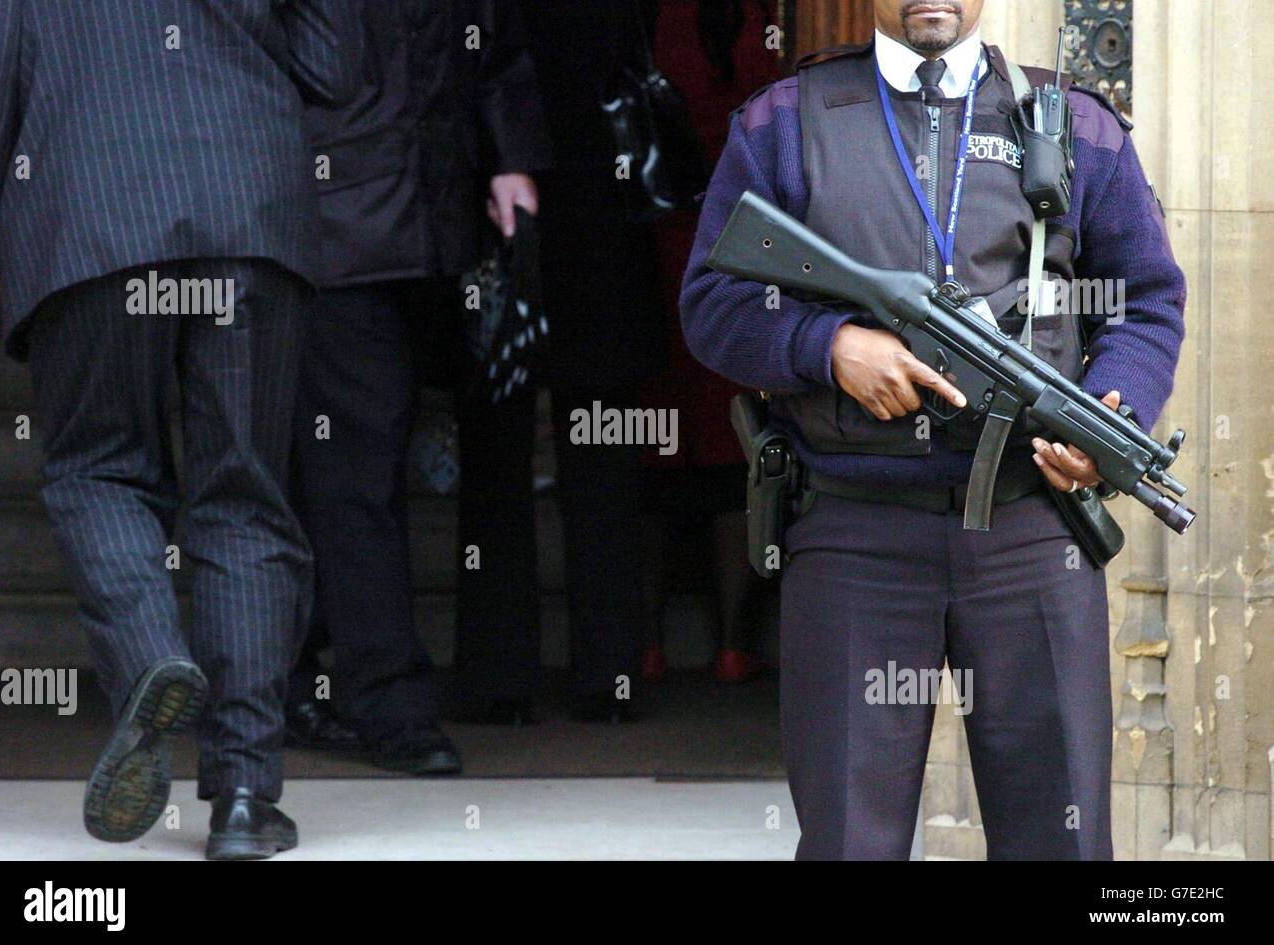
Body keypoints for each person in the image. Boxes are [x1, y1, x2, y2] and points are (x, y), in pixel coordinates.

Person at [680, 0, 1186, 859]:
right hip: (852, 535)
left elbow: (1146, 299)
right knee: (850, 841)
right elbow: (713, 304)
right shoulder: (784, 121)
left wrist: (1114, 412)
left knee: (1059, 839)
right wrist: (827, 346)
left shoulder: (1075, 123)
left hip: (1032, 536)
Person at [0, 0, 362, 859]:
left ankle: (150, 656)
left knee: (97, 469)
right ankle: (245, 800)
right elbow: (337, 68)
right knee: (245, 494)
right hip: (248, 207)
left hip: (91, 211)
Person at [290, 0, 550, 767]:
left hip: (426, 221)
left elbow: (492, 37)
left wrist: (507, 158)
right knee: (358, 465)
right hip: (339, 228)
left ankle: (289, 670)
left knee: (350, 459)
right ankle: (388, 701)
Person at [442, 0, 666, 724]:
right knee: (590, 444)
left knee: (503, 438)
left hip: (513, 188)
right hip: (591, 185)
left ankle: (501, 675)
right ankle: (605, 670)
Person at [640, 0, 780, 684]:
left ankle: (646, 644)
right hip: (739, 255)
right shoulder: (760, 22)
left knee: (654, 453)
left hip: (663, 252)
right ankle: (731, 644)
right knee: (731, 453)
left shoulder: (658, 19)